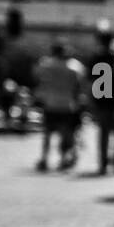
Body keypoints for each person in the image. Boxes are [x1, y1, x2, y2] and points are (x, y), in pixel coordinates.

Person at [33, 42, 84, 172]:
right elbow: (79, 85)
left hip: (50, 102)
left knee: (47, 133)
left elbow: (37, 77)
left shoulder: (46, 64)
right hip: (67, 104)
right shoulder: (74, 66)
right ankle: (62, 159)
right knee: (65, 133)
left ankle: (44, 158)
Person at [87, 28, 114, 174]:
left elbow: (91, 81)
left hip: (102, 100)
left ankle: (103, 164)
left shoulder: (96, 57)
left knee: (104, 133)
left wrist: (91, 101)